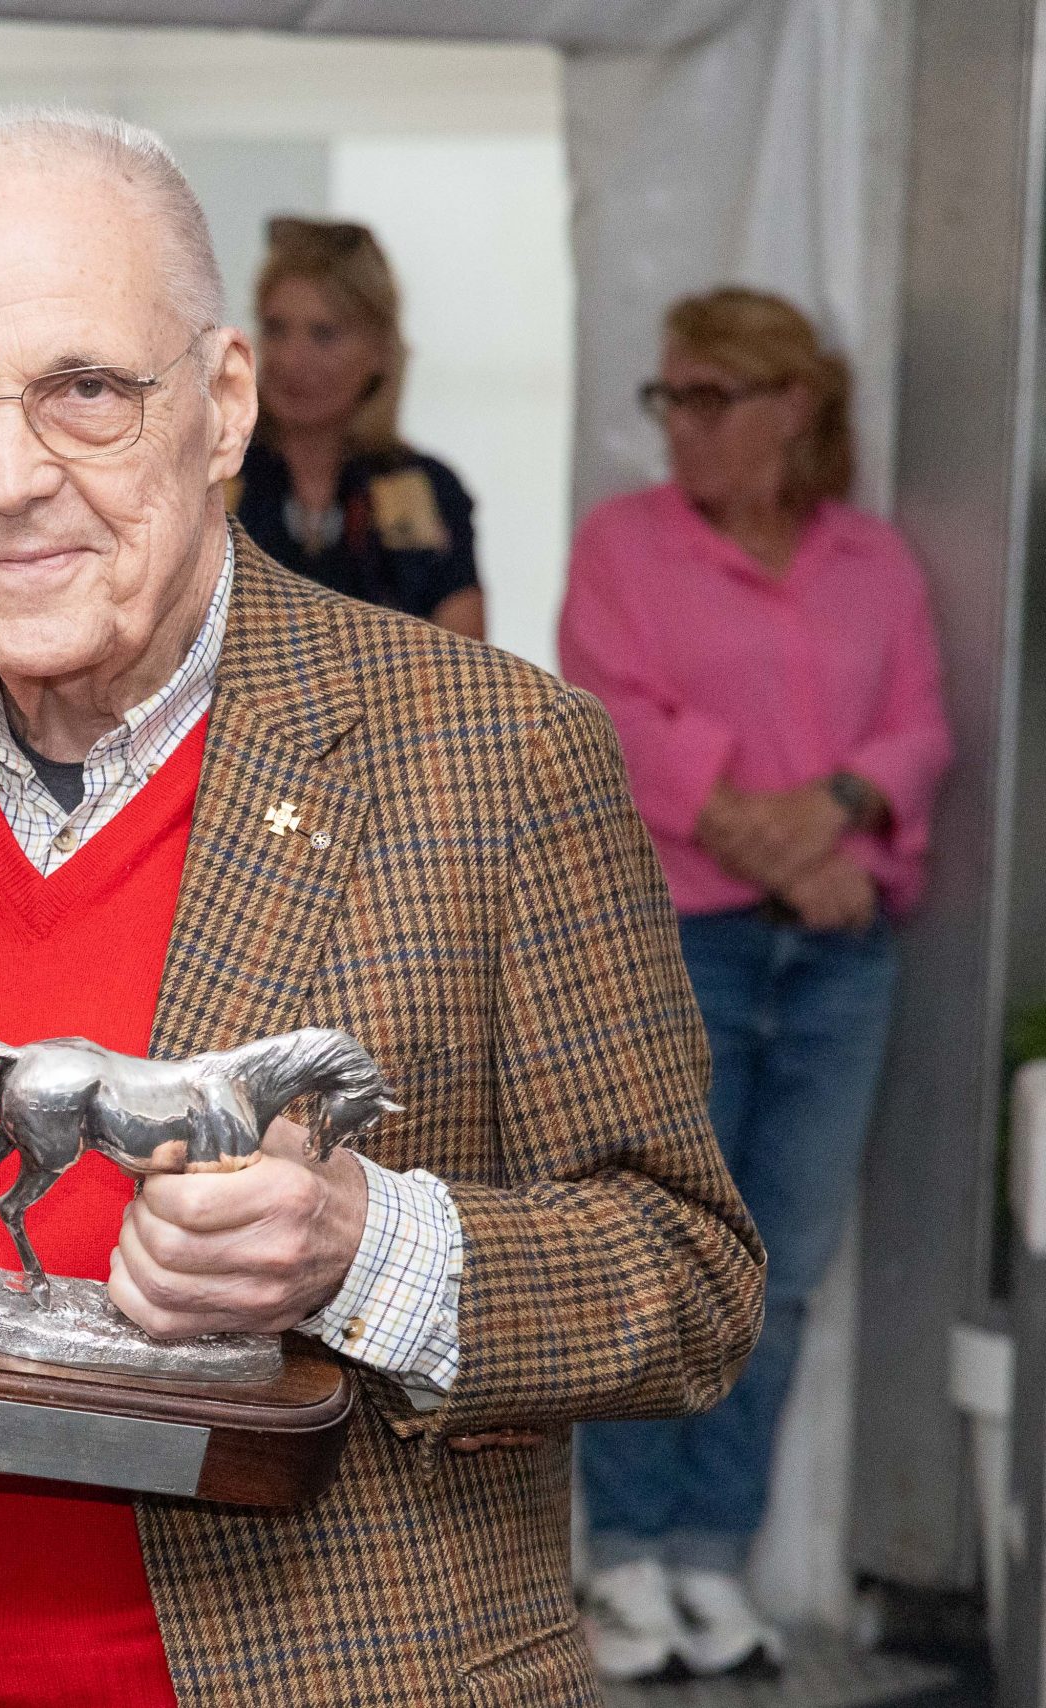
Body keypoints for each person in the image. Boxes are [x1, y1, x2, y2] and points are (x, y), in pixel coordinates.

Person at [0, 111, 761, 1706]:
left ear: (223, 400)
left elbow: (691, 1280)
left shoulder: (496, 756)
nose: (13, 477)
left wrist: (364, 1247)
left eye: (88, 390)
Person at [559, 287, 951, 1680]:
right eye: (671, 399)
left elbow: (915, 731)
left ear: (794, 406)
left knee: (775, 1274)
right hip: (689, 941)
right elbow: (615, 711)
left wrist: (834, 809)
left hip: (841, 953)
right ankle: (622, 1559)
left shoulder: (873, 560)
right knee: (661, 1249)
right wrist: (782, 841)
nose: (683, 428)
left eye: (711, 397)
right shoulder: (624, 548)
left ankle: (714, 1560)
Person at [232, 217, 484, 638]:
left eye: (324, 334)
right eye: (276, 329)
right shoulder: (215, 479)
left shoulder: (425, 489)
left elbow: (467, 677)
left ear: (380, 351)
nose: (292, 360)